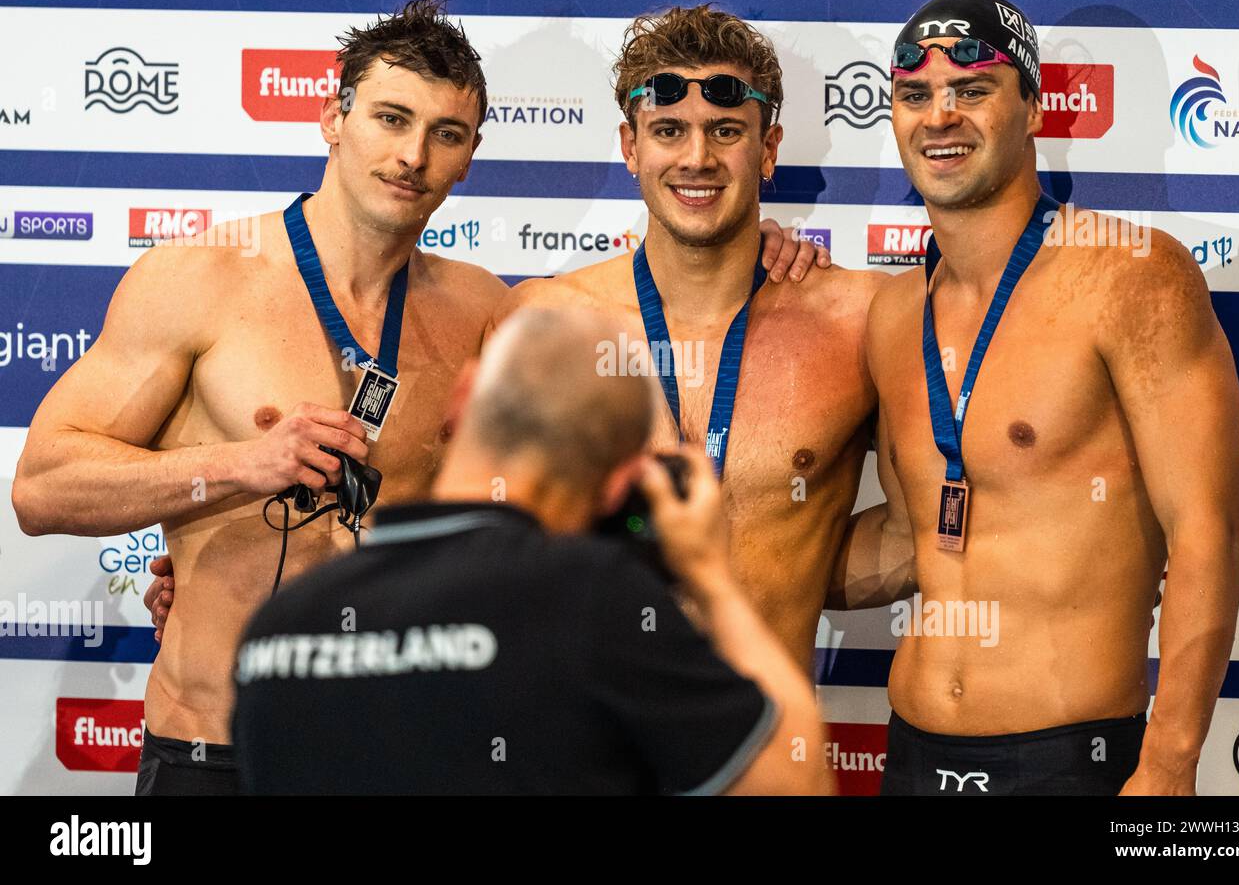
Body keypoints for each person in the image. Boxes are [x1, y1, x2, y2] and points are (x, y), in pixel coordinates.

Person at [13, 0, 818, 795]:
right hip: (219, 752)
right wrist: (235, 468)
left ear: (469, 157)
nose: (412, 156)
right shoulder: (198, 279)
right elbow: (41, 489)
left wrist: (757, 247)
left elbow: (552, 513)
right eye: (391, 119)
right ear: (333, 116)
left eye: (446, 135)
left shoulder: (486, 312)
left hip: (410, 759)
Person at [857, 0, 1239, 794]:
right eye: (915, 94)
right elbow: (908, 538)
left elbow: (1207, 534)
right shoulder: (894, 313)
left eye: (973, 90)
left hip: (1073, 758)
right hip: (913, 750)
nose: (940, 117)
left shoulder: (1131, 276)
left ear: (1034, 109)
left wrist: (1171, 760)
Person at [233, 307, 831, 795]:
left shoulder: (280, 624)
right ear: (622, 482)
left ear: (462, 399)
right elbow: (793, 781)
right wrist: (709, 577)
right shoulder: (594, 600)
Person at [493, 5, 918, 672]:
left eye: (725, 131)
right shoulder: (543, 323)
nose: (697, 158)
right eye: (669, 131)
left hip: (767, 752)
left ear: (769, 149)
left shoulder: (860, 319)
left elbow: (917, 536)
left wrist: (789, 565)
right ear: (631, 146)